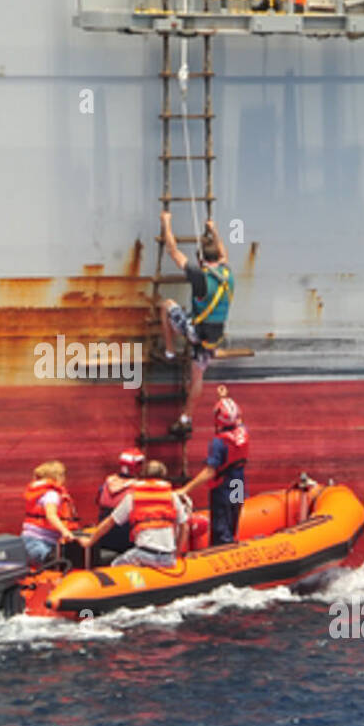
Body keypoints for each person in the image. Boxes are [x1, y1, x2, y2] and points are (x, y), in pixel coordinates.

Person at [157, 211, 234, 436]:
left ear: (201, 260)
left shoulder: (199, 276)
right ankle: (186, 417)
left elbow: (173, 251)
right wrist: (214, 230)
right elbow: (224, 254)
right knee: (197, 376)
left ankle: (170, 350)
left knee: (166, 305)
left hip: (196, 332)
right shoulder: (227, 273)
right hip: (214, 338)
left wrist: (166, 223)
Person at [85, 460, 189, 568]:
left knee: (114, 565)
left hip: (143, 554)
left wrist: (90, 541)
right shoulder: (172, 497)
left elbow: (109, 522)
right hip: (167, 558)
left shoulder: (133, 497)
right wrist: (177, 554)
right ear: (164, 477)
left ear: (143, 476)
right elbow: (184, 527)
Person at [179, 386, 249, 546]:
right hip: (239, 483)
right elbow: (235, 418)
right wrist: (223, 397)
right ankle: (232, 542)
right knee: (233, 520)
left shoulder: (219, 443)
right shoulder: (243, 431)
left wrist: (186, 489)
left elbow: (209, 472)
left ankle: (224, 548)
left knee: (220, 527)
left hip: (224, 486)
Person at [21, 460, 79, 565]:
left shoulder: (40, 492)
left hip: (31, 540)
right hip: (40, 542)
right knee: (58, 563)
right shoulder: (51, 494)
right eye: (63, 475)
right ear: (57, 477)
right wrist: (65, 531)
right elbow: (51, 515)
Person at [95, 447, 145, 554]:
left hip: (104, 539)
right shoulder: (139, 488)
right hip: (127, 543)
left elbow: (98, 502)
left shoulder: (106, 483)